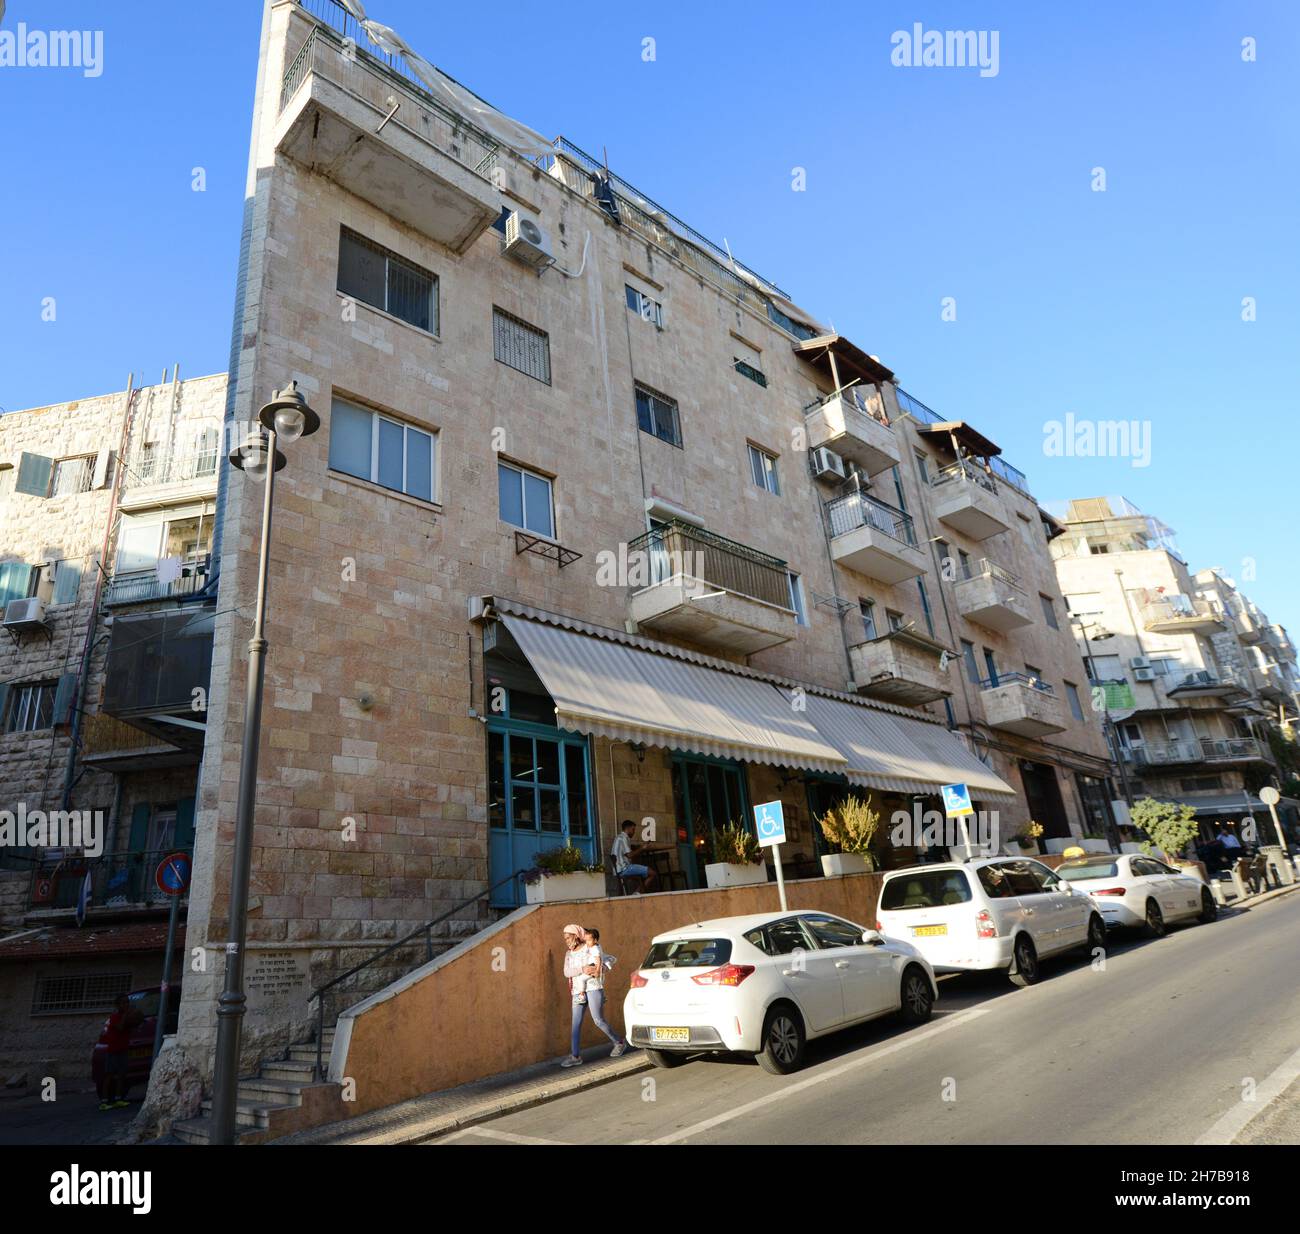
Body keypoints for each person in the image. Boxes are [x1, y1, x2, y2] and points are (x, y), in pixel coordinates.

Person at [559, 922, 627, 1067]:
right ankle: (575, 1056)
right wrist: (582, 969)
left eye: (568, 938)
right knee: (575, 1025)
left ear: (576, 936)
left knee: (598, 1020)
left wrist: (601, 969)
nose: (566, 941)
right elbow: (566, 972)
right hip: (577, 991)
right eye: (565, 938)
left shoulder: (590, 948)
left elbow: (608, 959)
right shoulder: (568, 954)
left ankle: (619, 1042)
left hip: (594, 987)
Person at [99, 993, 141, 1111]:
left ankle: (118, 1098)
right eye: (123, 1003)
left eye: (127, 1002)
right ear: (118, 1005)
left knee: (122, 1074)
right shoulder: (114, 1017)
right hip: (113, 1050)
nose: (126, 1005)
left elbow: (134, 1026)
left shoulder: (127, 1017)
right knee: (109, 1075)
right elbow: (120, 1027)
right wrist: (126, 1015)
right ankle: (104, 1101)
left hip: (123, 1049)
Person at [610, 819, 657, 892]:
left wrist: (638, 847)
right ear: (627, 828)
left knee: (640, 877)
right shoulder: (623, 838)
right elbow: (630, 855)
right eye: (633, 829)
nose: (634, 832)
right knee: (652, 873)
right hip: (624, 868)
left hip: (618, 869)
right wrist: (642, 848)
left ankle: (637, 893)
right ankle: (637, 894)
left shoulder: (619, 837)